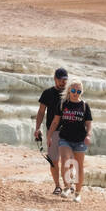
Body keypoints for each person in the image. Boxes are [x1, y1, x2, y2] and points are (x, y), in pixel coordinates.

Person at [47, 78, 92, 202]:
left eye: (78, 91)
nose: (75, 93)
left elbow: (88, 123)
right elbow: (55, 121)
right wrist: (49, 135)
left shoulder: (84, 105)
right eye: (73, 90)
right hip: (65, 138)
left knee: (79, 166)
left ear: (81, 92)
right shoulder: (63, 104)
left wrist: (88, 135)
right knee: (65, 161)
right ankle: (67, 187)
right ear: (69, 90)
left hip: (80, 140)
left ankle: (77, 193)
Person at [33, 67, 67, 195]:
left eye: (65, 80)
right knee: (53, 160)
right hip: (52, 132)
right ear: (55, 79)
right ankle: (57, 186)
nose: (63, 82)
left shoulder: (70, 93)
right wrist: (37, 128)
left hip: (68, 132)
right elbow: (41, 112)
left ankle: (68, 186)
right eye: (60, 80)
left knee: (67, 160)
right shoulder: (47, 93)